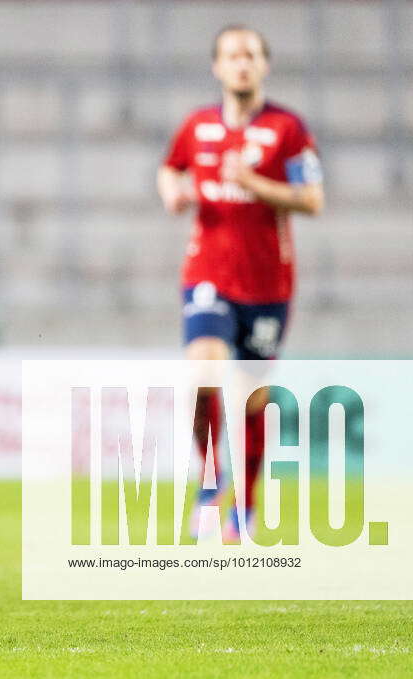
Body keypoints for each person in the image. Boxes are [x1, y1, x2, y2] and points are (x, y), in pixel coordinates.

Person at [156, 25, 324, 540]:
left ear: (264, 65)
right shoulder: (198, 126)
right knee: (202, 373)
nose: (242, 63)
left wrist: (253, 182)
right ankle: (209, 482)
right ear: (218, 66)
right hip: (207, 272)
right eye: (232, 55)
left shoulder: (288, 129)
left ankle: (244, 507)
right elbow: (170, 168)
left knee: (253, 397)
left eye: (250, 55)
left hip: (268, 283)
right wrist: (173, 194)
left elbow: (313, 199)